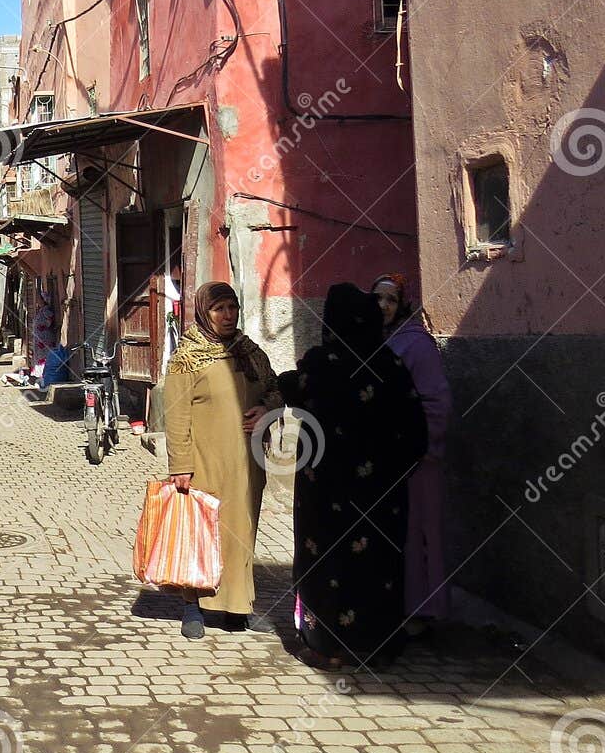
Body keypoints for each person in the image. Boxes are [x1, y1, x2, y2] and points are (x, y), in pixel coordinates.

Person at [279, 284, 428, 667]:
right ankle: (377, 644)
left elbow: (293, 387)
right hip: (381, 495)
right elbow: (415, 431)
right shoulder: (391, 366)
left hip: (327, 494)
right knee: (377, 563)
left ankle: (325, 646)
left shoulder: (322, 363)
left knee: (327, 561)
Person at [163, 281, 283, 639]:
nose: (227, 315)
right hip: (205, 463)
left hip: (247, 464)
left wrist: (268, 408)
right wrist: (180, 465)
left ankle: (237, 608)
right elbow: (176, 415)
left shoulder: (250, 352)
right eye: (219, 309)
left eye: (232, 307)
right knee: (202, 533)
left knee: (241, 534)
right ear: (204, 312)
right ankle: (192, 606)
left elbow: (276, 388)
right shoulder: (187, 359)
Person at [373, 271, 452, 633]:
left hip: (418, 458)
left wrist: (423, 445)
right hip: (388, 458)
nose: (384, 306)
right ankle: (397, 607)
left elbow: (437, 401)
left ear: (402, 304)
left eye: (391, 299)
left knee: (420, 532)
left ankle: (423, 612)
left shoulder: (416, 343)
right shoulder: (376, 342)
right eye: (378, 298)